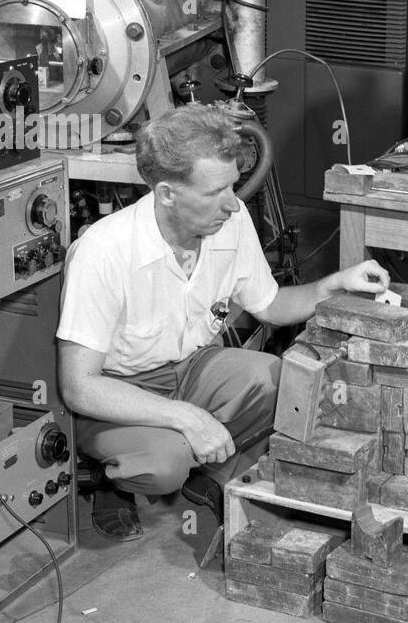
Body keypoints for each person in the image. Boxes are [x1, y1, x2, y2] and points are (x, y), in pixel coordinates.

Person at [56, 105, 389, 540]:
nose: (233, 204)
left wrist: (333, 285)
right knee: (164, 463)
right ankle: (111, 480)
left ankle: (214, 480)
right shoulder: (104, 252)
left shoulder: (229, 224)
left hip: (192, 368)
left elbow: (270, 305)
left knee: (284, 385)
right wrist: (186, 418)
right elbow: (79, 387)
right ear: (166, 194)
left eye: (233, 185)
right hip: (119, 391)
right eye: (216, 192)